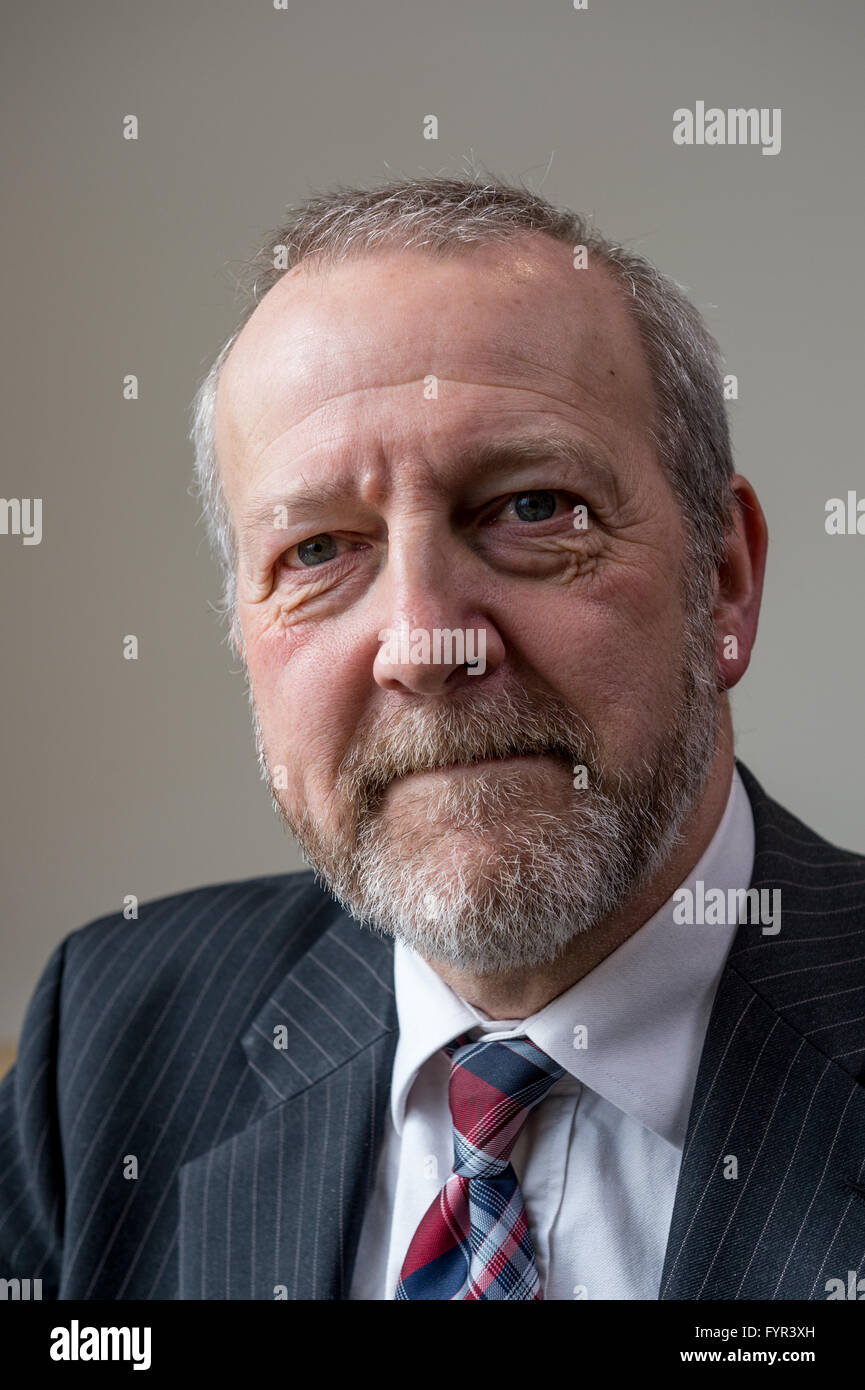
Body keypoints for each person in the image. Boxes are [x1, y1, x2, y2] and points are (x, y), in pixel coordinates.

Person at [2, 176, 864, 1301]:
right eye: (316, 551)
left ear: (723, 581)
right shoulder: (108, 1041)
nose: (424, 644)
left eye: (532, 508)